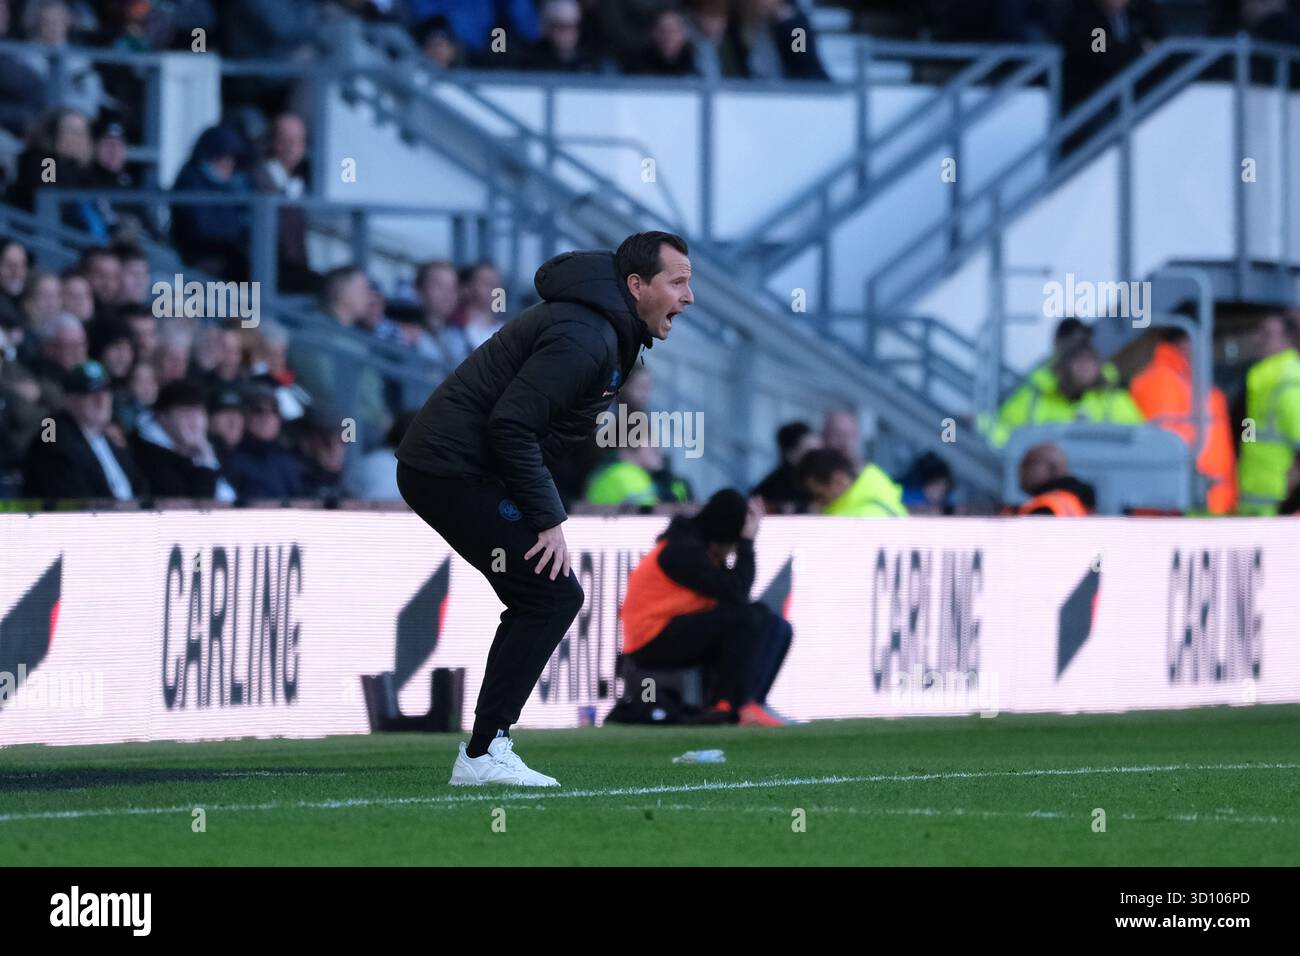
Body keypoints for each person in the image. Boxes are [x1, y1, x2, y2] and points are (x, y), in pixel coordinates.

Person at [396, 230, 692, 787]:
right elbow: (512, 426)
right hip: (448, 470)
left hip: (466, 467)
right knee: (549, 593)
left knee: (545, 594)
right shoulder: (588, 337)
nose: (689, 297)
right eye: (677, 282)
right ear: (636, 285)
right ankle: (483, 753)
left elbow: (547, 432)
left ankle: (485, 750)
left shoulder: (607, 329)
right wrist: (549, 517)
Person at [620, 490, 792, 726]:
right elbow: (738, 594)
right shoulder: (680, 551)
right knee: (746, 617)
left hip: (673, 631)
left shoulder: (698, 549)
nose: (732, 552)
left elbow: (735, 594)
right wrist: (747, 543)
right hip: (649, 640)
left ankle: (752, 702)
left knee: (777, 626)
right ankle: (725, 705)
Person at [1129, 328, 1237, 514]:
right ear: (1184, 342)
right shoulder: (1160, 382)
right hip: (1177, 509)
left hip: (1210, 505)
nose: (1209, 350)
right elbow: (1164, 446)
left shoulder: (1206, 389)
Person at [22, 359, 146, 500]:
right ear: (69, 399)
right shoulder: (52, 435)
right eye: (91, 393)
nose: (101, 400)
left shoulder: (109, 437)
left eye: (105, 391)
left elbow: (139, 487)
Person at [1237, 313, 1300, 515]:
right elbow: (1249, 433)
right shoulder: (1260, 379)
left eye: (1267, 334)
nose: (1258, 339)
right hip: (1254, 498)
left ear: (1288, 340)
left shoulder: (1290, 379)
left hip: (1281, 503)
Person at [131, 379, 237, 500]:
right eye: (185, 413)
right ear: (163, 417)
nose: (194, 421)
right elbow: (195, 505)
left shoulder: (216, 445)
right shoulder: (146, 454)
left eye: (199, 412)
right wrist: (206, 463)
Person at [797, 446, 908, 516]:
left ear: (839, 480)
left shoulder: (863, 518)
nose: (816, 504)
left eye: (820, 496)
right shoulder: (879, 493)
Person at [752, 420, 820, 513]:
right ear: (791, 454)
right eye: (810, 452)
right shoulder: (769, 491)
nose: (820, 457)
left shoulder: (821, 483)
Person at [1013, 442, 1095, 515]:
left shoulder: (1045, 508)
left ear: (1052, 467)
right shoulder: (1077, 499)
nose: (1021, 470)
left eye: (1029, 463)